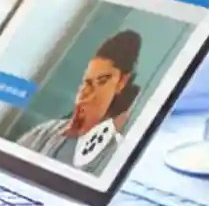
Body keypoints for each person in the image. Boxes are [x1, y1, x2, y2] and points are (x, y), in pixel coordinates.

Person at [15, 30, 142, 173]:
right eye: (86, 83)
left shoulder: (116, 155)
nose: (86, 94)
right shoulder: (45, 133)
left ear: (122, 82)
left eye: (101, 82)